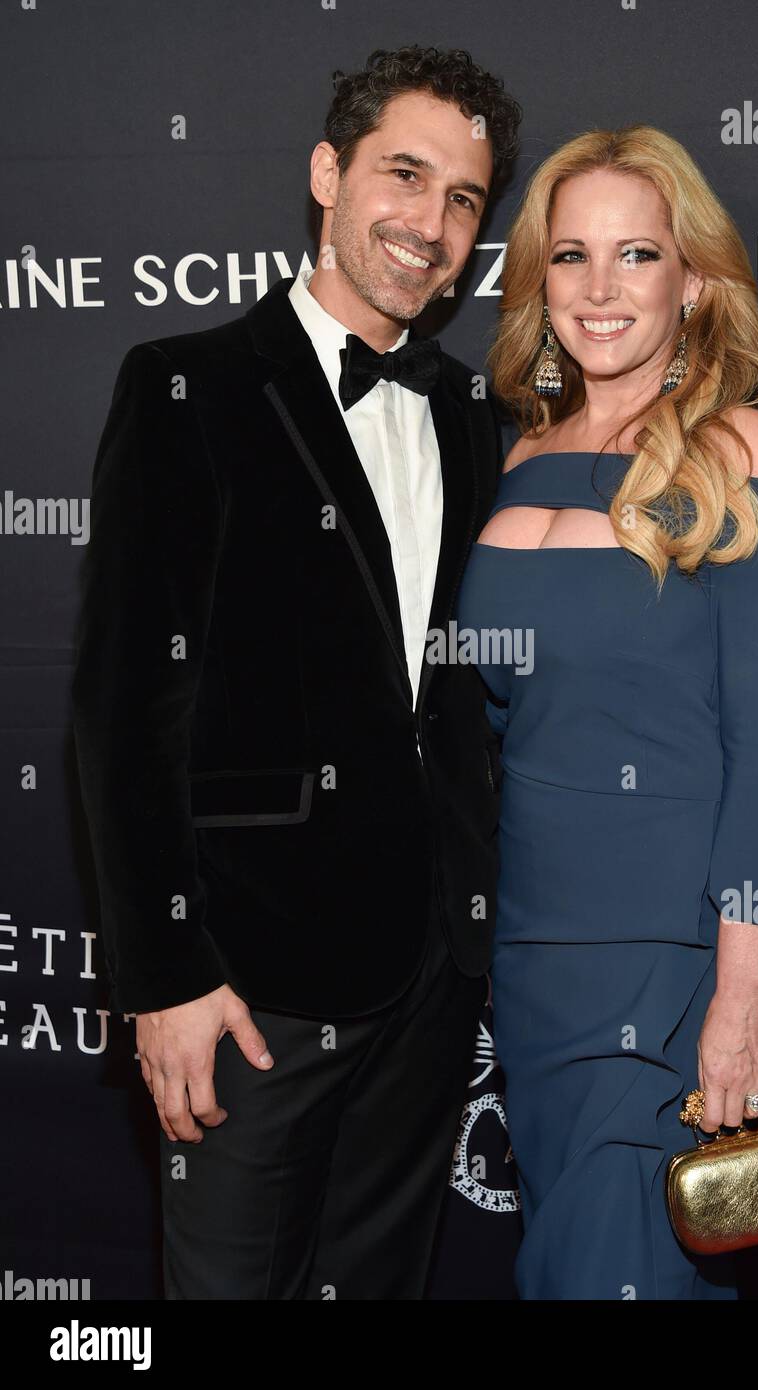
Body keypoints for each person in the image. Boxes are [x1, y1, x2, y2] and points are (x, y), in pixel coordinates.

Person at [70, 45, 522, 1299]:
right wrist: (164, 979)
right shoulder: (187, 387)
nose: (430, 225)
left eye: (466, 199)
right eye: (405, 174)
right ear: (328, 173)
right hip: (249, 987)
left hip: (433, 974)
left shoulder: (471, 416)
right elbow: (122, 710)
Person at [456, 124, 758, 1300]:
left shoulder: (740, 453)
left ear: (696, 280)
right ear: (538, 281)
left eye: (637, 255)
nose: (601, 289)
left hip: (679, 957)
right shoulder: (518, 459)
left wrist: (739, 996)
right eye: (572, 256)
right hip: (532, 952)